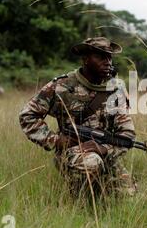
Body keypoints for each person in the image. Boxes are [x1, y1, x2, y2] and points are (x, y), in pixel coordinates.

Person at [19, 37, 137, 198]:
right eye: (100, 57)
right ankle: (78, 201)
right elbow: (28, 115)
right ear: (86, 59)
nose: (107, 62)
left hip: (107, 153)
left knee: (129, 197)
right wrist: (55, 140)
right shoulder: (62, 86)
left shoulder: (116, 90)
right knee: (92, 163)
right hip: (73, 152)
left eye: (109, 57)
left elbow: (127, 134)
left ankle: (101, 196)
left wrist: (103, 148)